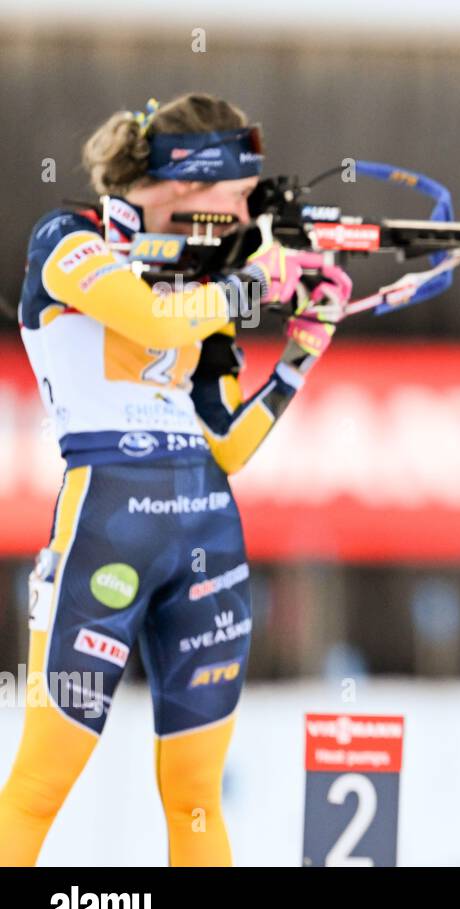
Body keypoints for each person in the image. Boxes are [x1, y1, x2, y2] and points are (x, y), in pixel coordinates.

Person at [0, 93, 351, 866]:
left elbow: (226, 445)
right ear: (189, 181)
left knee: (194, 797)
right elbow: (150, 319)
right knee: (40, 784)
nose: (245, 209)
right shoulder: (68, 239)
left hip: (209, 533)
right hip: (105, 526)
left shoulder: (206, 281)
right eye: (236, 194)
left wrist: (306, 344)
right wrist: (253, 280)